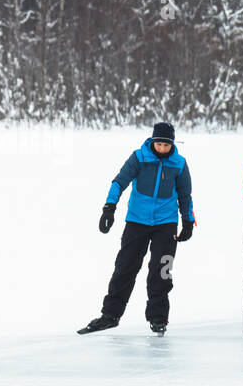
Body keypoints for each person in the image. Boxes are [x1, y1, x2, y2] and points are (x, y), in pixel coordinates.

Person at [79, 122, 195, 335]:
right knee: (125, 267)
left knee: (162, 271)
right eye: (158, 144)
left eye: (166, 145)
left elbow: (185, 195)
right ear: (152, 141)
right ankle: (110, 315)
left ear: (172, 144)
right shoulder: (139, 158)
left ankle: (158, 318)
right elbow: (119, 182)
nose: (162, 148)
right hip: (136, 222)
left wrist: (188, 221)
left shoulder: (179, 163)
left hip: (166, 223)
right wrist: (109, 208)